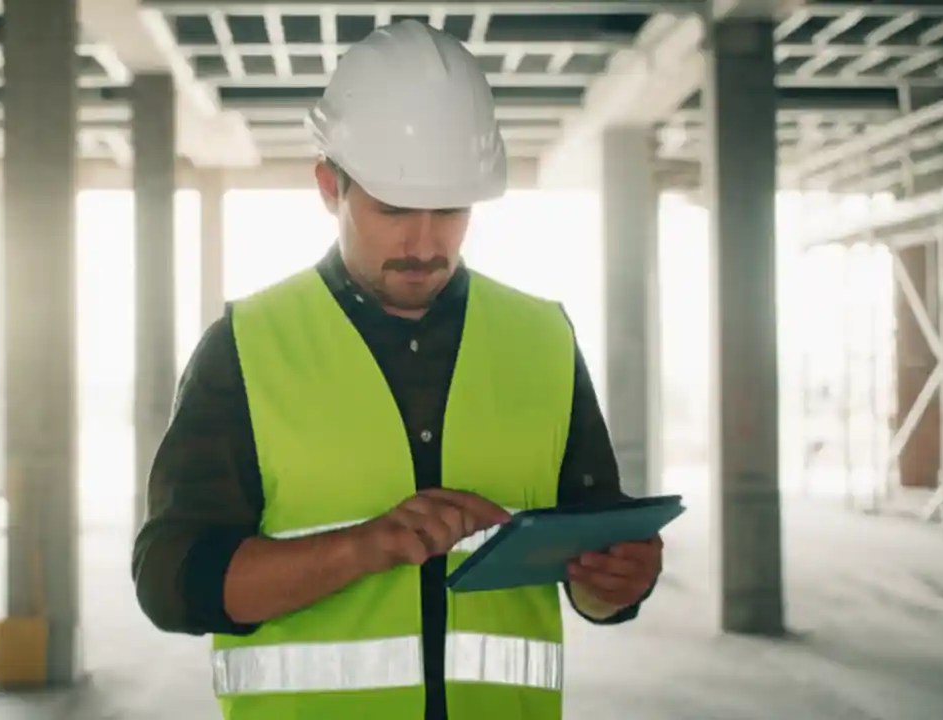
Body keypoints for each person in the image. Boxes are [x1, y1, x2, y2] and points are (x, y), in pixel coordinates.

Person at [132, 19, 662, 720]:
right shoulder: (249, 346)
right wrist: (360, 548)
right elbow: (172, 584)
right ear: (330, 186)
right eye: (393, 210)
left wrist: (616, 583)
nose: (424, 242)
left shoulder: (542, 339)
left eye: (449, 210)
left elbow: (593, 560)